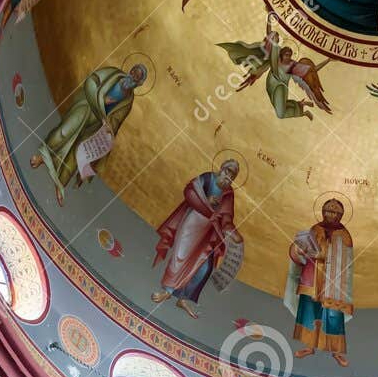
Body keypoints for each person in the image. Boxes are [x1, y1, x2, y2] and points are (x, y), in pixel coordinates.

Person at [30, 63, 147, 204]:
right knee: (65, 131)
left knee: (78, 154)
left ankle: (60, 184)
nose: (133, 76)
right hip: (87, 107)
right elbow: (91, 81)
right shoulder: (113, 74)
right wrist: (101, 101)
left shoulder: (128, 101)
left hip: (98, 125)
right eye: (133, 71)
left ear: (139, 83)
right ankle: (42, 157)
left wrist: (109, 127)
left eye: (137, 76)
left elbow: (116, 121)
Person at [151, 161, 241, 317]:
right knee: (180, 257)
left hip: (209, 233)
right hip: (192, 223)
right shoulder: (208, 178)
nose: (229, 177)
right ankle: (168, 290)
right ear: (221, 169)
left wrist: (232, 231)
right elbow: (189, 191)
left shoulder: (228, 193)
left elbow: (227, 217)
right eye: (228, 172)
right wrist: (206, 201)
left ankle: (183, 297)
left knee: (205, 267)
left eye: (232, 176)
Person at [285, 199, 355, 367]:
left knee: (333, 316)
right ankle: (309, 347)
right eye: (328, 211)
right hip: (312, 277)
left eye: (335, 212)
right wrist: (300, 251)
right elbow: (302, 252)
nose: (331, 215)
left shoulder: (344, 235)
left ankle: (336, 351)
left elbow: (345, 259)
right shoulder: (315, 229)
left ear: (340, 215)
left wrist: (324, 255)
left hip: (333, 281)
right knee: (309, 311)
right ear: (323, 212)